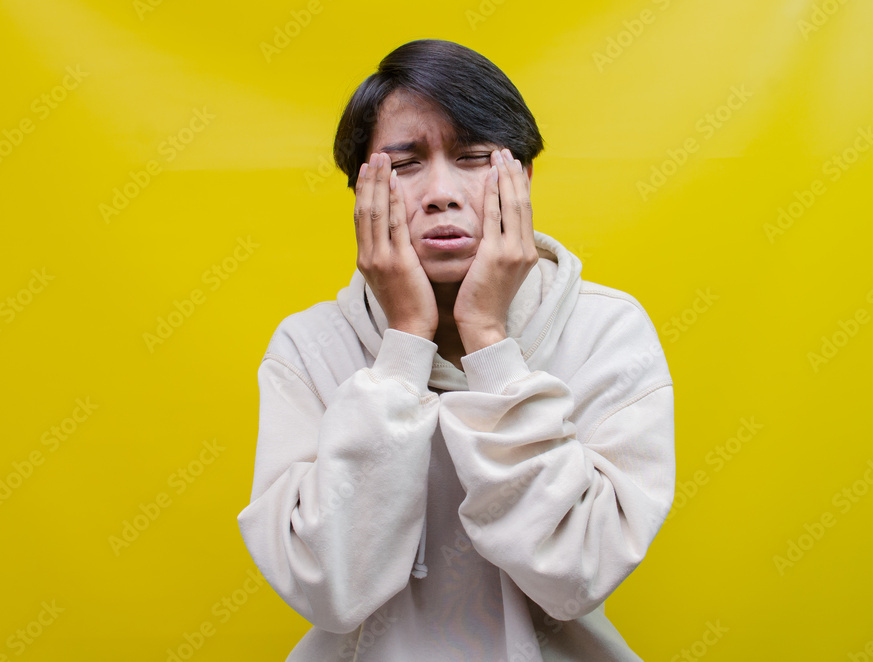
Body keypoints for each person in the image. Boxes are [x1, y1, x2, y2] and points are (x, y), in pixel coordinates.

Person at [237, 38, 675, 661]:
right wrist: (405, 341)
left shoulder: (609, 330)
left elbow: (578, 573)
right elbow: (330, 589)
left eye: (473, 156)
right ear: (361, 189)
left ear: (521, 179)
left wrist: (489, 340)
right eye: (406, 163)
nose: (440, 192)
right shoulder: (307, 348)